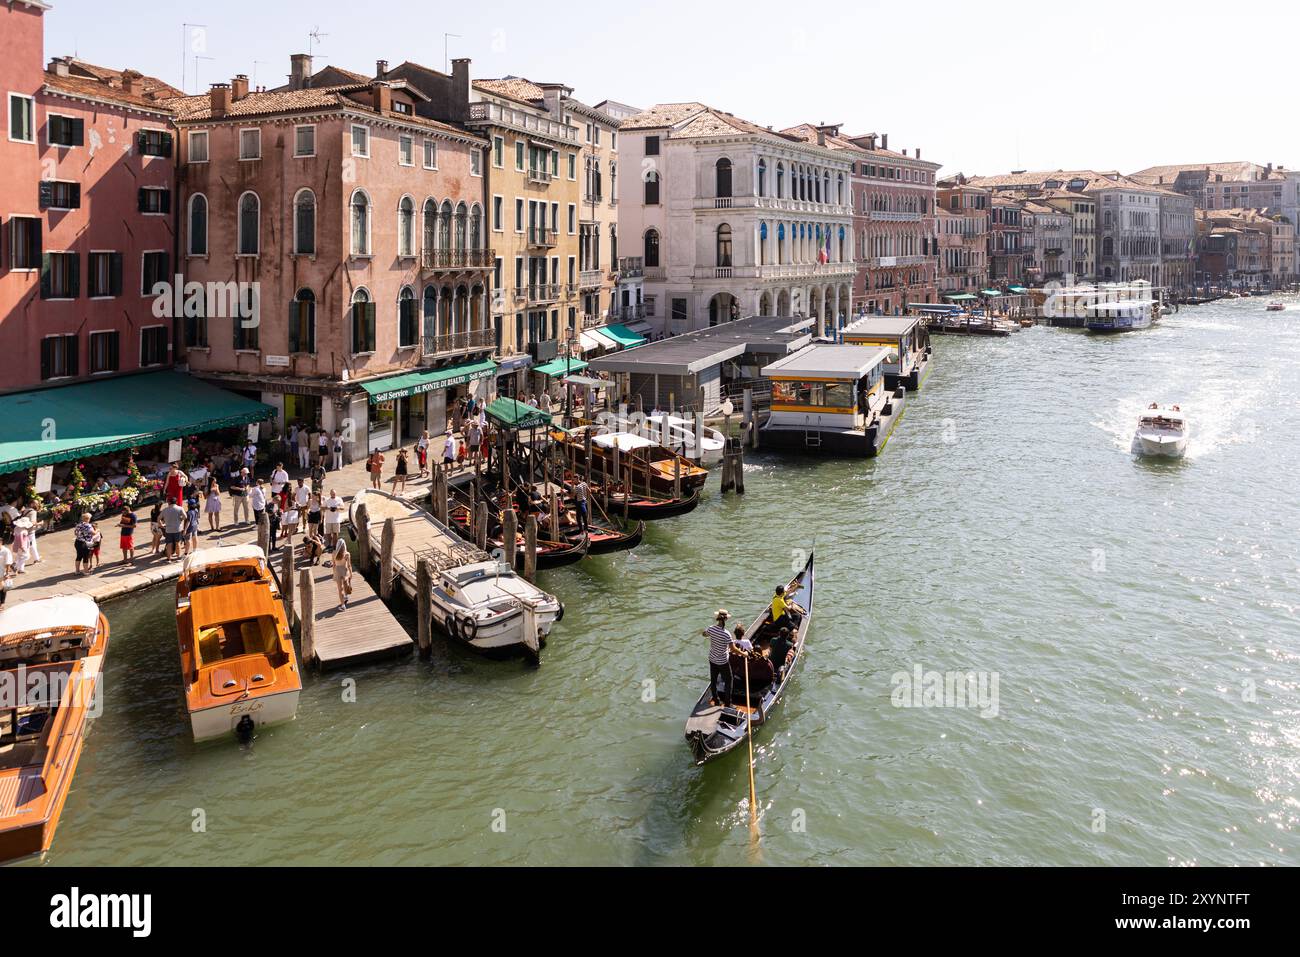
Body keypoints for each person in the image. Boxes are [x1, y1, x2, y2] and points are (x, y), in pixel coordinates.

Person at [704, 609, 733, 707]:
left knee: (713, 680)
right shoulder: (727, 634)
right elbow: (733, 649)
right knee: (729, 680)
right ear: (726, 620)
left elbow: (705, 634)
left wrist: (703, 632)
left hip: (712, 659)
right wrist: (744, 653)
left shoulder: (711, 628)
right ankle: (728, 703)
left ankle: (716, 700)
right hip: (723, 662)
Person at [330, 539, 353, 611]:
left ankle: (343, 605)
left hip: (337, 571)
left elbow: (333, 565)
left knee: (340, 589)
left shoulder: (334, 553)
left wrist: (334, 573)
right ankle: (346, 596)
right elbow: (349, 565)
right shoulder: (347, 554)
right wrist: (351, 573)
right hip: (345, 570)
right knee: (345, 584)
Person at [0, 541, 14, 606]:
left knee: (2, 588)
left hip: (2, 573)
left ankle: (2, 603)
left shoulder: (6, 551)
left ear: (1, 542)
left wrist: (7, 573)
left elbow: (8, 563)